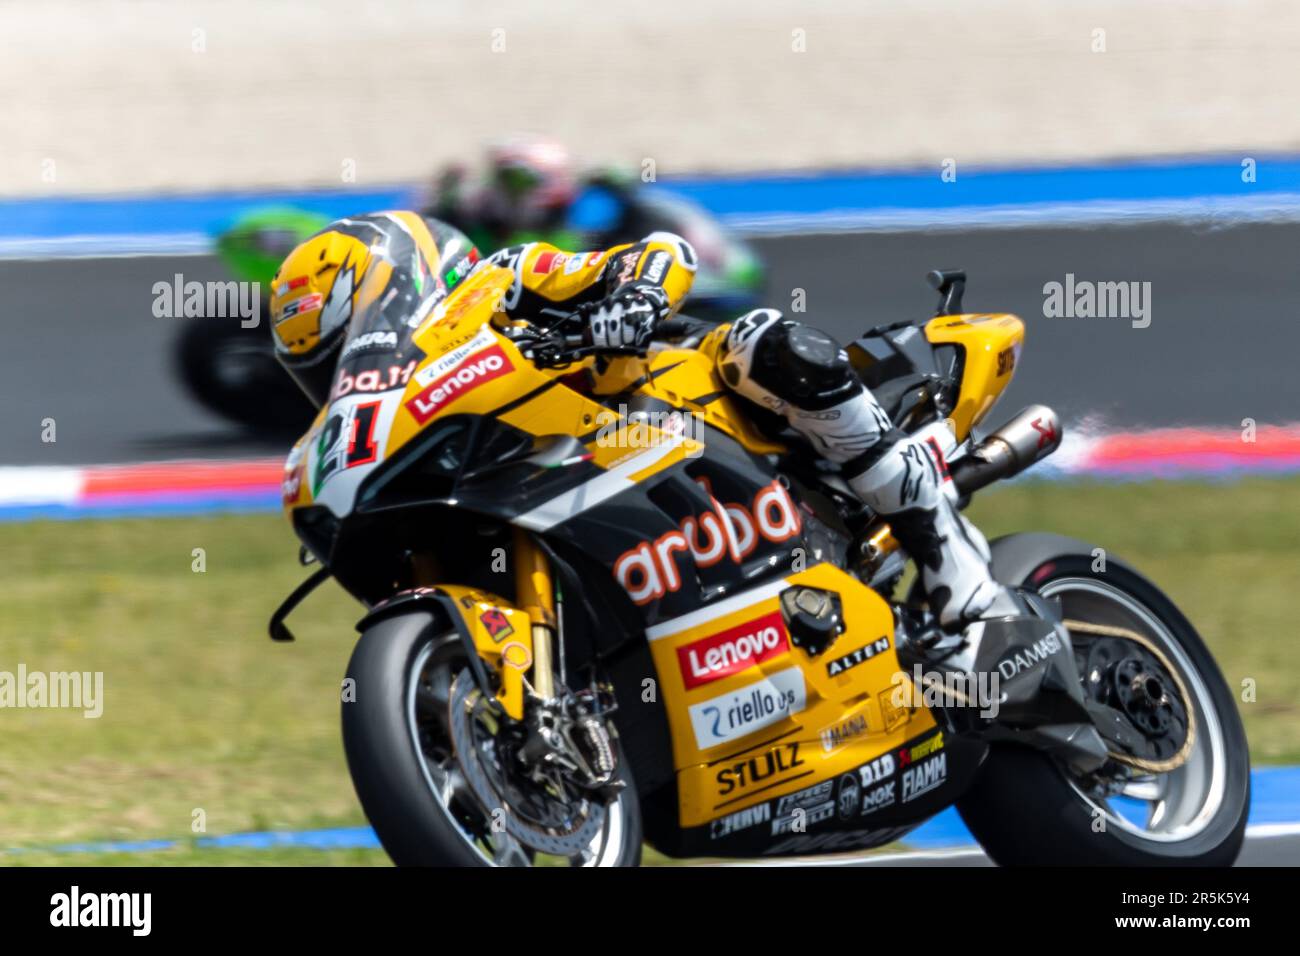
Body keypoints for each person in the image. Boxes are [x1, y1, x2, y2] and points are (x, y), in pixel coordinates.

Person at [268, 211, 1012, 634]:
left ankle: (936, 535)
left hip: (675, 405)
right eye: (316, 368)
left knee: (760, 341)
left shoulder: (498, 283)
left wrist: (630, 299)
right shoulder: (398, 405)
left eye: (344, 340)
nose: (340, 372)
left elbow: (663, 252)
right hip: (555, 485)